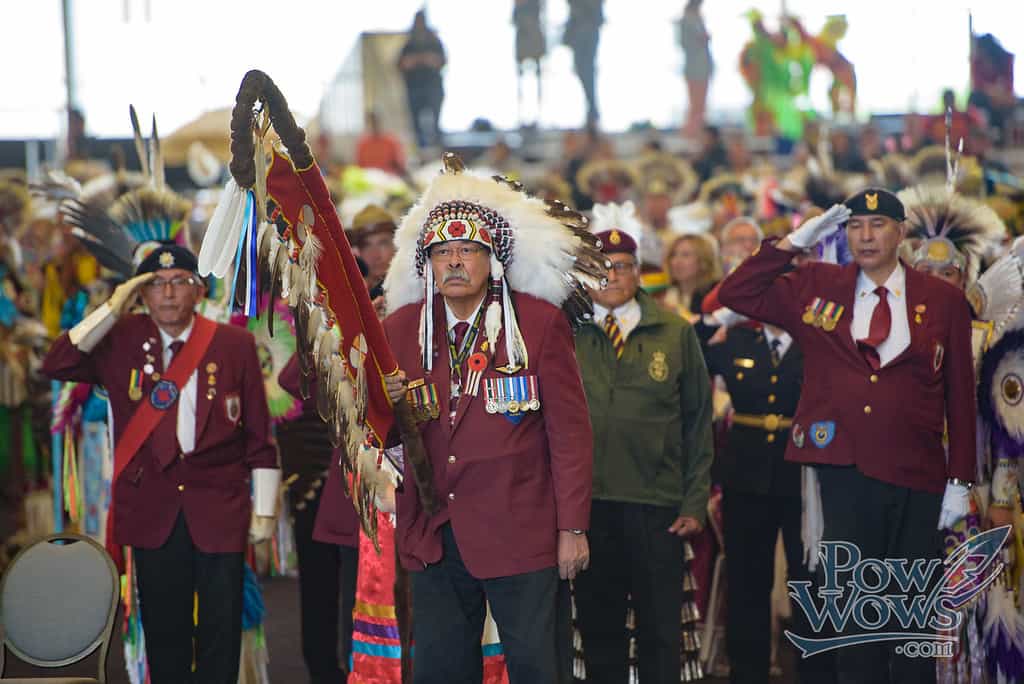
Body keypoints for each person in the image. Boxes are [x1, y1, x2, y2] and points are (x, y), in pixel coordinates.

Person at [718, 189, 976, 684]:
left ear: (901, 233)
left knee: (911, 613)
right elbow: (737, 292)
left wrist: (960, 479)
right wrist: (794, 240)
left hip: (918, 472)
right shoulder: (818, 284)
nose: (866, 236)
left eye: (878, 224)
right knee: (857, 610)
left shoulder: (941, 298)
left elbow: (960, 393)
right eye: (856, 226)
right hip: (846, 471)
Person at [379, 156, 596, 683]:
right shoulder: (402, 327)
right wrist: (381, 406)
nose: (454, 262)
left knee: (536, 667)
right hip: (433, 531)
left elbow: (569, 434)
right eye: (443, 252)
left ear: (492, 259)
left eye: (468, 250)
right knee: (439, 668)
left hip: (521, 529)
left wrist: (572, 528)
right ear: (426, 264)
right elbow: (379, 437)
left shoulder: (538, 323)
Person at [42, 243, 279, 684]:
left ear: (198, 291)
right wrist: (112, 309)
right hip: (152, 511)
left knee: (220, 633)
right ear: (141, 294)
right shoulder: (121, 339)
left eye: (179, 284)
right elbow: (57, 362)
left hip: (219, 509)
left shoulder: (234, 344)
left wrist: (264, 510)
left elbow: (260, 439)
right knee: (164, 635)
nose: (168, 294)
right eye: (156, 285)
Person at [572, 227, 714, 683]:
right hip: (588, 506)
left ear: (639, 273)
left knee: (660, 632)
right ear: (585, 275)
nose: (611, 275)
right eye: (601, 267)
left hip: (659, 505)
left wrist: (694, 503)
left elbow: (697, 422)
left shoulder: (673, 331)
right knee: (599, 628)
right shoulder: (565, 331)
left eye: (622, 266)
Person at [278, 353, 361, 684]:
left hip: (378, 489)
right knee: (320, 592)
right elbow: (290, 379)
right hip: (314, 480)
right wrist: (329, 321)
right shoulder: (332, 327)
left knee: (364, 598)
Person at [398, 11, 446, 149]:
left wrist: (427, 59)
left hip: (432, 88)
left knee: (435, 124)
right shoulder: (409, 44)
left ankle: (437, 147)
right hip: (414, 89)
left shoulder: (434, 41)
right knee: (416, 126)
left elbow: (441, 61)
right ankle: (421, 148)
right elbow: (401, 64)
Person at [663, 233, 721, 323]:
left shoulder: (715, 294)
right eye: (673, 255)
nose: (677, 261)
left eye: (685, 255)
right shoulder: (662, 293)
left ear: (703, 261)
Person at [564, 0, 604, 124]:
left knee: (586, 69)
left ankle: (592, 109)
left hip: (587, 26)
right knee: (583, 69)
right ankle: (592, 108)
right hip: (580, 26)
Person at [679, 0, 712, 136]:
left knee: (700, 107)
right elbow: (687, 42)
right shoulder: (688, 20)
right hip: (695, 68)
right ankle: (691, 135)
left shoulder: (695, 18)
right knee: (696, 107)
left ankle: (696, 134)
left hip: (701, 67)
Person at [349, 204, 398, 293]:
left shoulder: (417, 289)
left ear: (395, 244)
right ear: (358, 251)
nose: (375, 255)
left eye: (383, 243)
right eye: (366, 246)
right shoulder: (352, 294)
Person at [355, 111, 407, 176]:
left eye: (375, 122)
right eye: (371, 123)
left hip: (389, 177)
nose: (373, 125)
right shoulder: (363, 144)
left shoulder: (391, 141)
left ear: (380, 122)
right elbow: (359, 167)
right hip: (369, 178)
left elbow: (400, 165)